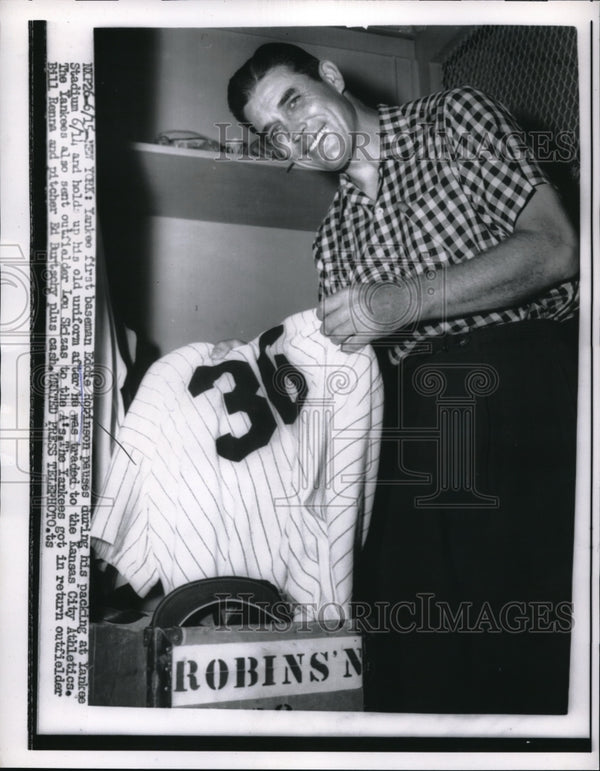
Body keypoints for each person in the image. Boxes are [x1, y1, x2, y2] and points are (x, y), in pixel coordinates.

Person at [227, 42, 579, 714]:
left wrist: (404, 301)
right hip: (416, 423)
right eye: (275, 131)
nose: (295, 132)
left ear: (330, 76)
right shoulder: (329, 241)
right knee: (405, 630)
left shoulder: (455, 120)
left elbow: (558, 246)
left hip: (517, 377)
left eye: (294, 101)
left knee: (523, 618)